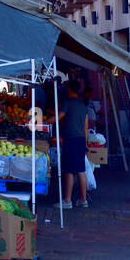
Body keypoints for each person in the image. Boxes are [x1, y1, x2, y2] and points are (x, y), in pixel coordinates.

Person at [58, 81, 90, 209]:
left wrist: (43, 120)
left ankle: (67, 200)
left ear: (70, 89)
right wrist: (85, 143)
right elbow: (86, 127)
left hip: (70, 139)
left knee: (69, 170)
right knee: (81, 170)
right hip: (81, 140)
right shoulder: (83, 105)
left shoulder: (68, 103)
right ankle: (83, 199)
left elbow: (58, 117)